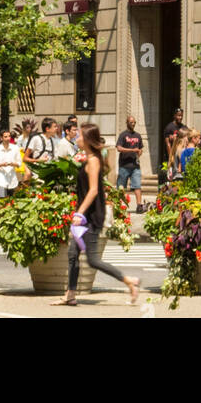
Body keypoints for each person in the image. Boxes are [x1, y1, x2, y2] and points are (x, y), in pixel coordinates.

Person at [51, 124, 140, 308]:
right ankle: (70, 295)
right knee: (72, 254)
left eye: (80, 135)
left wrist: (79, 213)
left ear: (88, 139)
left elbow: (92, 191)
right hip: (86, 215)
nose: (77, 137)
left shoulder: (93, 161)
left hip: (91, 216)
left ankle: (129, 281)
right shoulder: (89, 158)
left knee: (92, 260)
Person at [115, 116, 144, 211]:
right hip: (124, 165)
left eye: (134, 122)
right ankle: (118, 205)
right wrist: (132, 150)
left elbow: (140, 149)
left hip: (135, 166)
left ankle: (139, 205)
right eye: (131, 122)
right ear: (127, 122)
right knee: (121, 187)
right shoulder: (123, 135)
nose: (133, 124)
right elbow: (119, 148)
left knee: (137, 185)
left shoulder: (138, 136)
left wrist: (139, 153)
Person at [0, 130, 21, 197]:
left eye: (9, 136)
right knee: (2, 198)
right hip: (0, 177)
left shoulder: (15, 148)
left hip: (12, 178)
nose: (8, 138)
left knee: (12, 199)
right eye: (5, 137)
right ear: (1, 138)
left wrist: (13, 164)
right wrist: (0, 165)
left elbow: (19, 163)